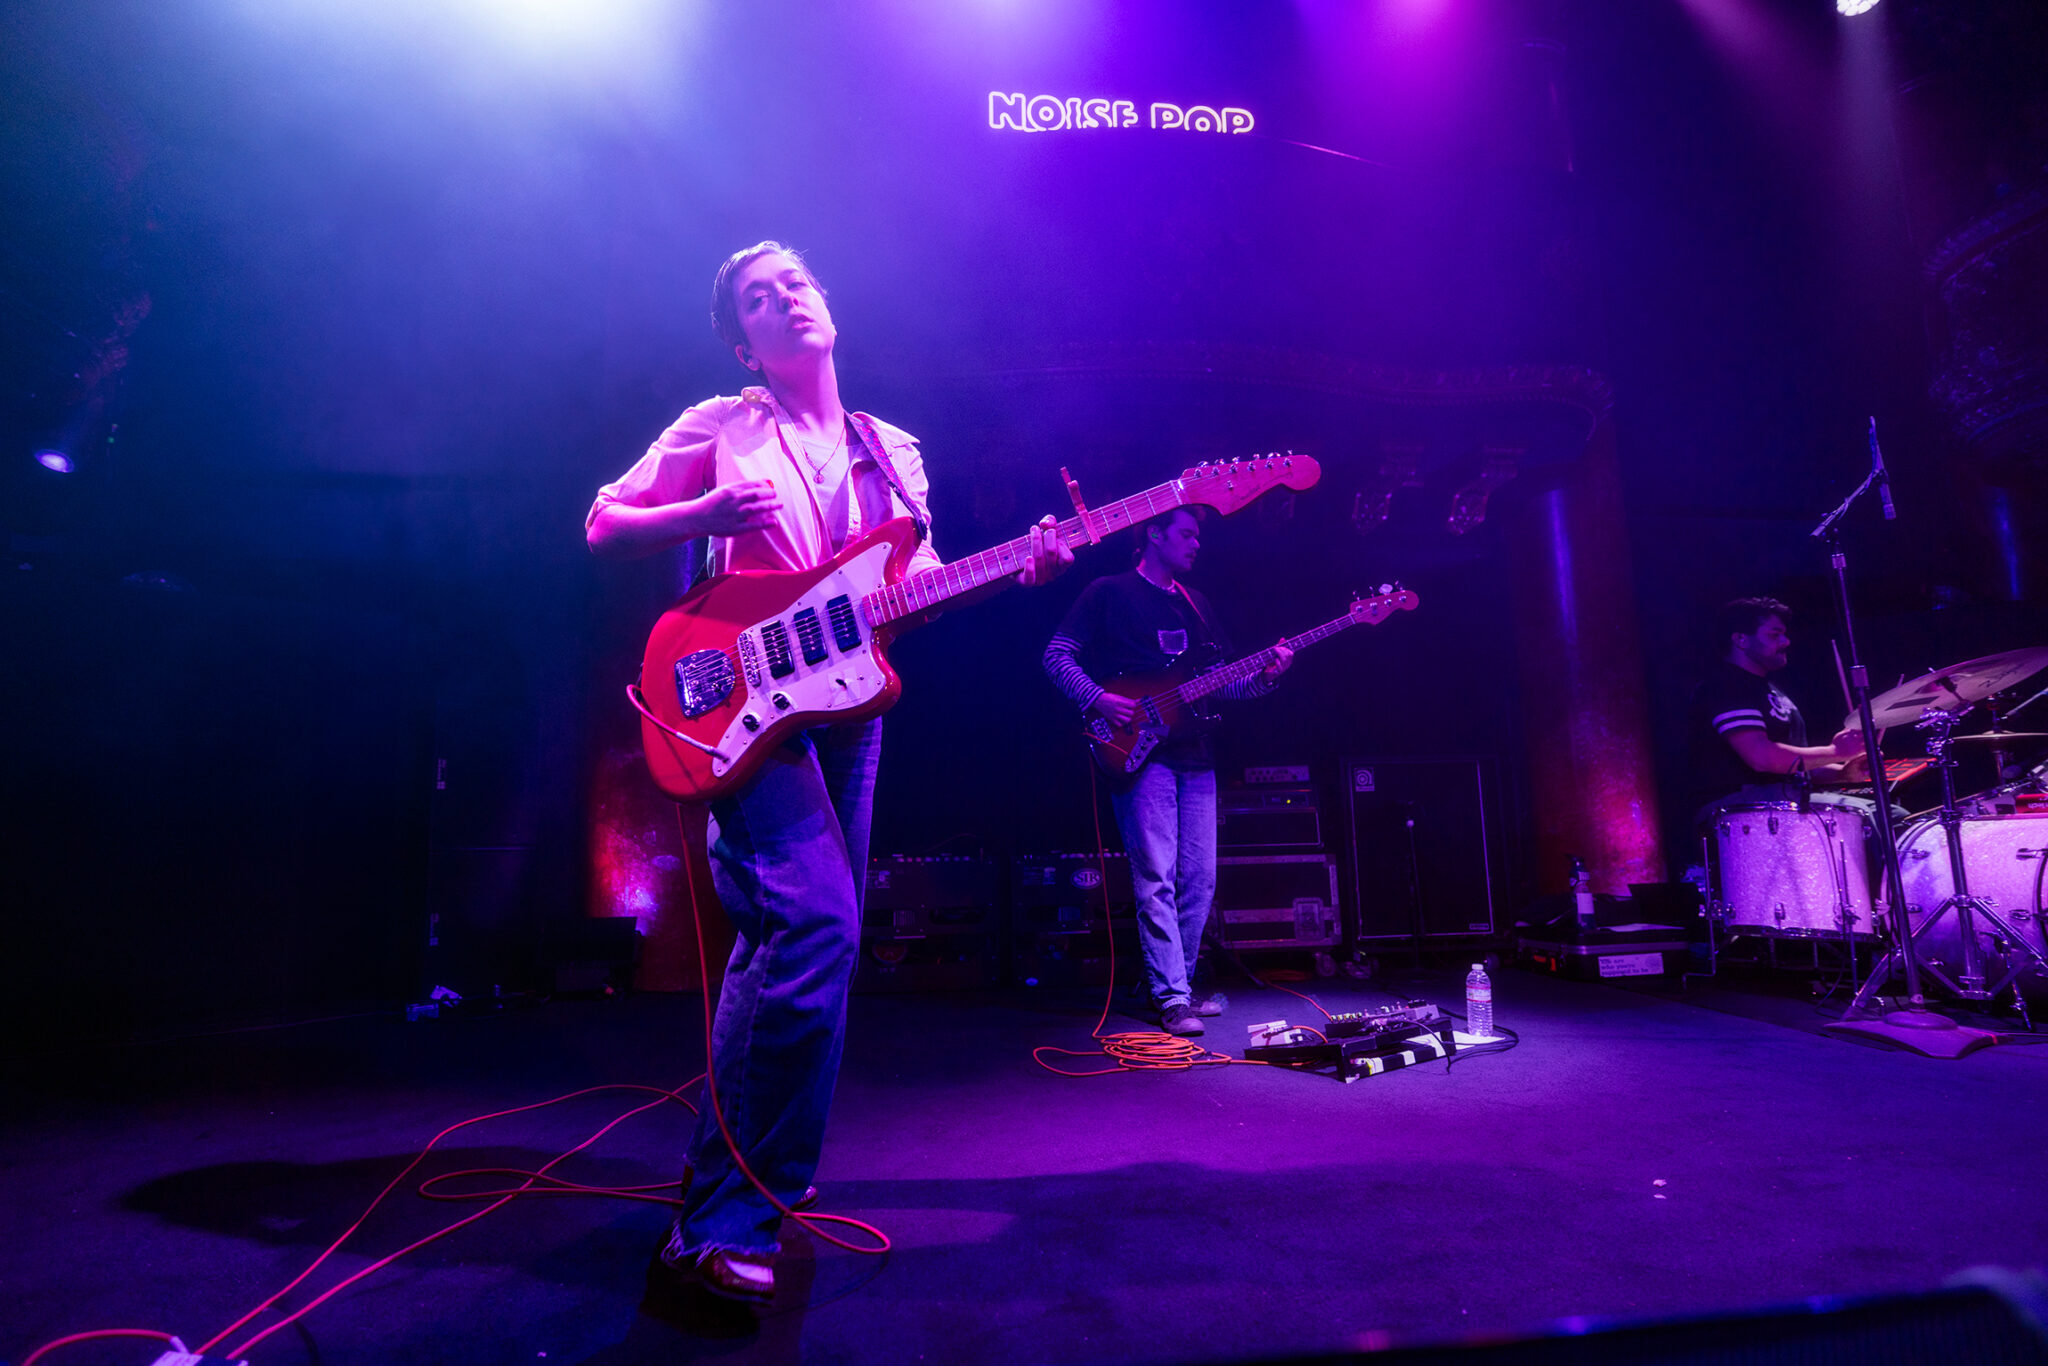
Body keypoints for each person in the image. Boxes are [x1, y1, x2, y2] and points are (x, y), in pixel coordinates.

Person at [587, 241, 1069, 1306]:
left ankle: (747, 1187)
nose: (786, 301)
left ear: (826, 305)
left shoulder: (889, 448)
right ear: (739, 340)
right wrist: (698, 517)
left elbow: (917, 583)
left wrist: (1016, 567)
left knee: (793, 947)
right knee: (816, 928)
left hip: (846, 707)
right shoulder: (719, 424)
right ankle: (721, 1218)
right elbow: (602, 521)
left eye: (795, 283)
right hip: (738, 701)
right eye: (758, 299)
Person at [1041, 506, 1292, 1038]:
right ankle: (1172, 997)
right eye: (1186, 534)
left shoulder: (1196, 605)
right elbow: (1057, 656)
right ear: (1152, 534)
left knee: (1200, 879)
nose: (1196, 544)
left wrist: (1266, 677)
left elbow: (1222, 684)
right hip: (1138, 752)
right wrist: (1099, 698)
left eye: (1198, 536)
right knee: (1156, 875)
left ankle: (1177, 982)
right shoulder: (1108, 591)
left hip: (1195, 752)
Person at [1686, 596, 1867, 819]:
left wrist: (1842, 773)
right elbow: (1762, 758)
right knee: (1863, 817)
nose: (1786, 641)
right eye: (1774, 635)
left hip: (1779, 798)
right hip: (1739, 810)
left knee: (1891, 814)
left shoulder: (1768, 688)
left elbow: (1790, 770)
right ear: (1741, 640)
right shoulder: (1726, 686)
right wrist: (1836, 752)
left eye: (1783, 634)